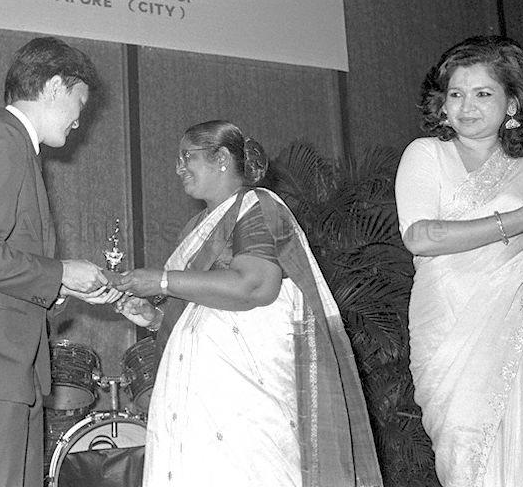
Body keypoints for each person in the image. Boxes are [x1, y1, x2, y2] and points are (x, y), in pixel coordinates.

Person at [114, 120, 383, 487]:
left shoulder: (258, 204)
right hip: (199, 401)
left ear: (221, 158)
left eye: (186, 157)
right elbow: (202, 309)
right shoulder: (196, 226)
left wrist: (159, 280)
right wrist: (154, 317)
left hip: (245, 397)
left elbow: (256, 285)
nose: (178, 168)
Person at [0, 36, 119, 487]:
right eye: (79, 103)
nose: (78, 120)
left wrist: (58, 289)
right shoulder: (0, 140)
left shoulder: (17, 148)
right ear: (54, 87)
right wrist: (60, 272)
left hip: (9, 372)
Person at [394, 35, 523, 486]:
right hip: (445, 328)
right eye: (456, 93)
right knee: (462, 445)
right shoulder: (426, 154)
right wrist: (519, 219)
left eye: (483, 93)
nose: (466, 106)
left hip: (516, 328)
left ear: (512, 103)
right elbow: (421, 237)